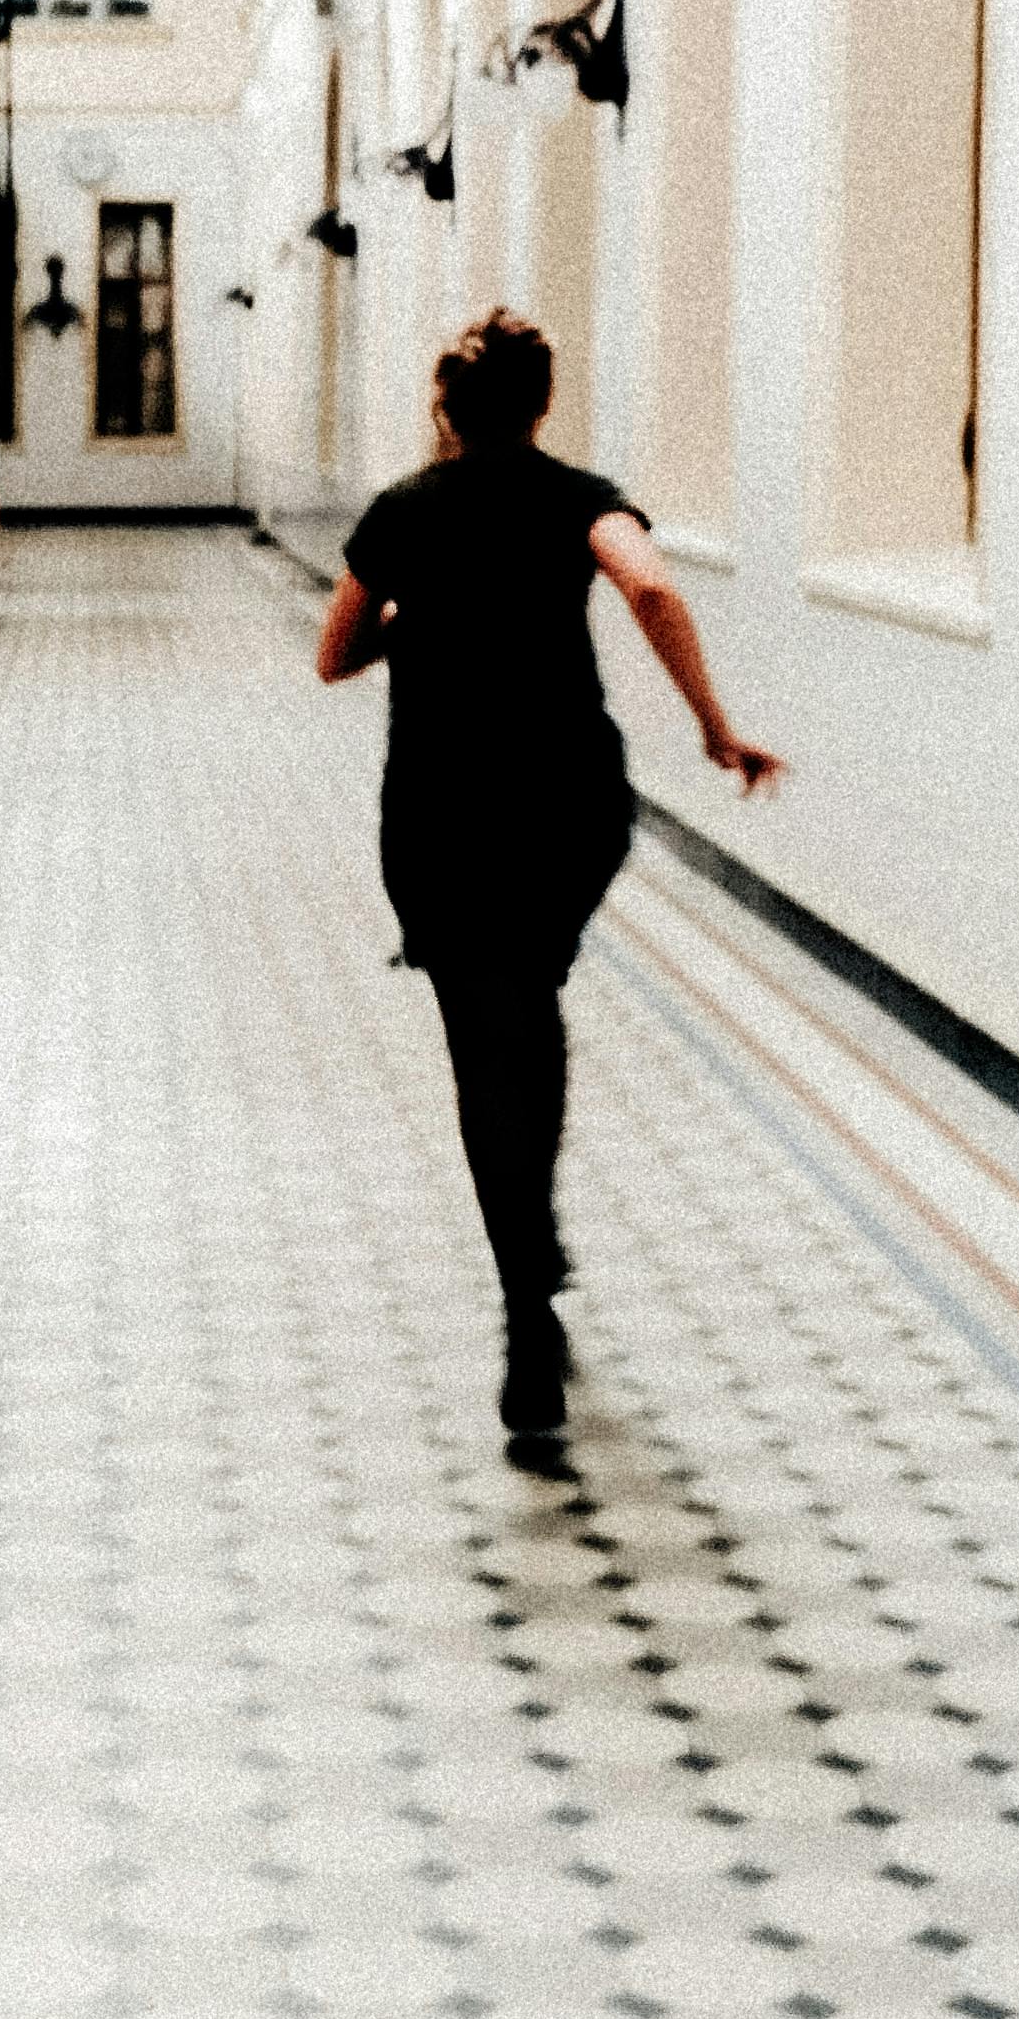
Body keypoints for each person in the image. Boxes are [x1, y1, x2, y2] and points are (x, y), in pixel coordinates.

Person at [317, 309, 780, 1470]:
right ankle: (539, 1246)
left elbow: (333, 653)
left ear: (447, 408)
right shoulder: (583, 495)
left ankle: (527, 1297)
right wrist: (717, 728)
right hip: (563, 801)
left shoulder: (403, 513)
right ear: (541, 402)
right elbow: (654, 591)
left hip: (441, 806)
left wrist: (415, 620)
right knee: (536, 999)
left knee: (487, 1045)